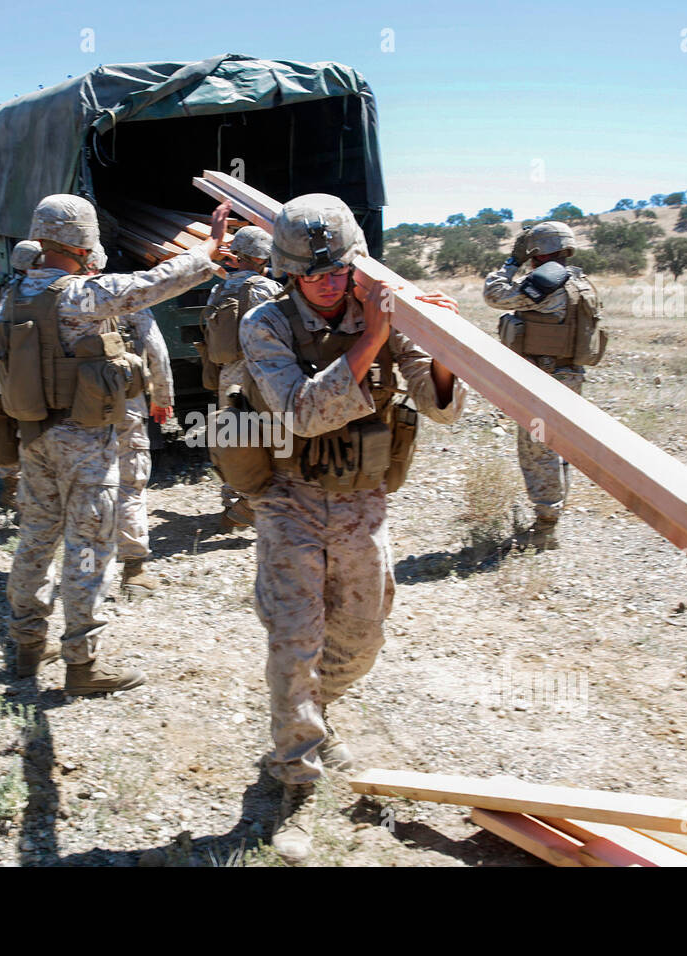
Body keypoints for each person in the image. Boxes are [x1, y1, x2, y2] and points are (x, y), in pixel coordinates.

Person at [238, 194, 467, 863]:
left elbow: (440, 406)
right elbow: (305, 413)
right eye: (315, 274)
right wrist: (373, 334)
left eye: (339, 269)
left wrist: (443, 346)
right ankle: (296, 780)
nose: (330, 282)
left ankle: (318, 709)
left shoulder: (390, 315)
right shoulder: (266, 325)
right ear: (289, 273)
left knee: (363, 638)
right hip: (290, 502)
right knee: (294, 642)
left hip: (363, 500)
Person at [0, 194, 230, 693]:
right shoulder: (80, 294)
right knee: (89, 549)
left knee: (35, 543)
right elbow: (151, 285)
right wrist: (207, 251)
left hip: (33, 437)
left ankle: (27, 647)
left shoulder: (11, 294)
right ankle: (83, 664)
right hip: (85, 442)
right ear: (83, 242)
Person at [483, 221, 605, 550]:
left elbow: (494, 296)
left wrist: (511, 263)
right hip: (570, 376)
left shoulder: (547, 282)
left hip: (545, 379)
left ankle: (545, 527)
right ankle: (553, 515)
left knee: (537, 452)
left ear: (536, 253)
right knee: (558, 447)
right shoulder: (580, 281)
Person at [85, 244, 177, 593]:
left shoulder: (59, 299)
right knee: (130, 483)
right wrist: (162, 398)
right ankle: (134, 571)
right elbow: (156, 350)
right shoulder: (125, 297)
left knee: (87, 486)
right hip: (128, 403)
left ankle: (89, 572)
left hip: (79, 411)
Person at [200, 225, 282, 529]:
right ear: (262, 256)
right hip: (259, 374)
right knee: (268, 440)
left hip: (227, 375)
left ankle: (231, 500)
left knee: (232, 438)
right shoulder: (266, 288)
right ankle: (255, 505)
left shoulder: (219, 288)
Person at [0, 239, 43, 512]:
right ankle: (23, 498)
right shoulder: (28, 290)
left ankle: (12, 484)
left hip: (6, 373)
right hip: (19, 373)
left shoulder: (10, 289)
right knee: (24, 433)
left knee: (8, 430)